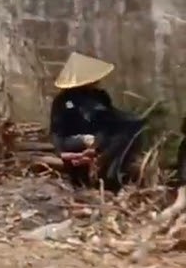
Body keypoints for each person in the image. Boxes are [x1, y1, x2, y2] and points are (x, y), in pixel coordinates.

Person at [50, 52, 145, 192]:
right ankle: (97, 173)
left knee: (124, 134)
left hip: (101, 140)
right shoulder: (63, 102)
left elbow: (110, 118)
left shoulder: (99, 96)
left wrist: (134, 121)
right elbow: (58, 134)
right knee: (93, 140)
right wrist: (81, 143)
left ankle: (112, 176)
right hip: (74, 142)